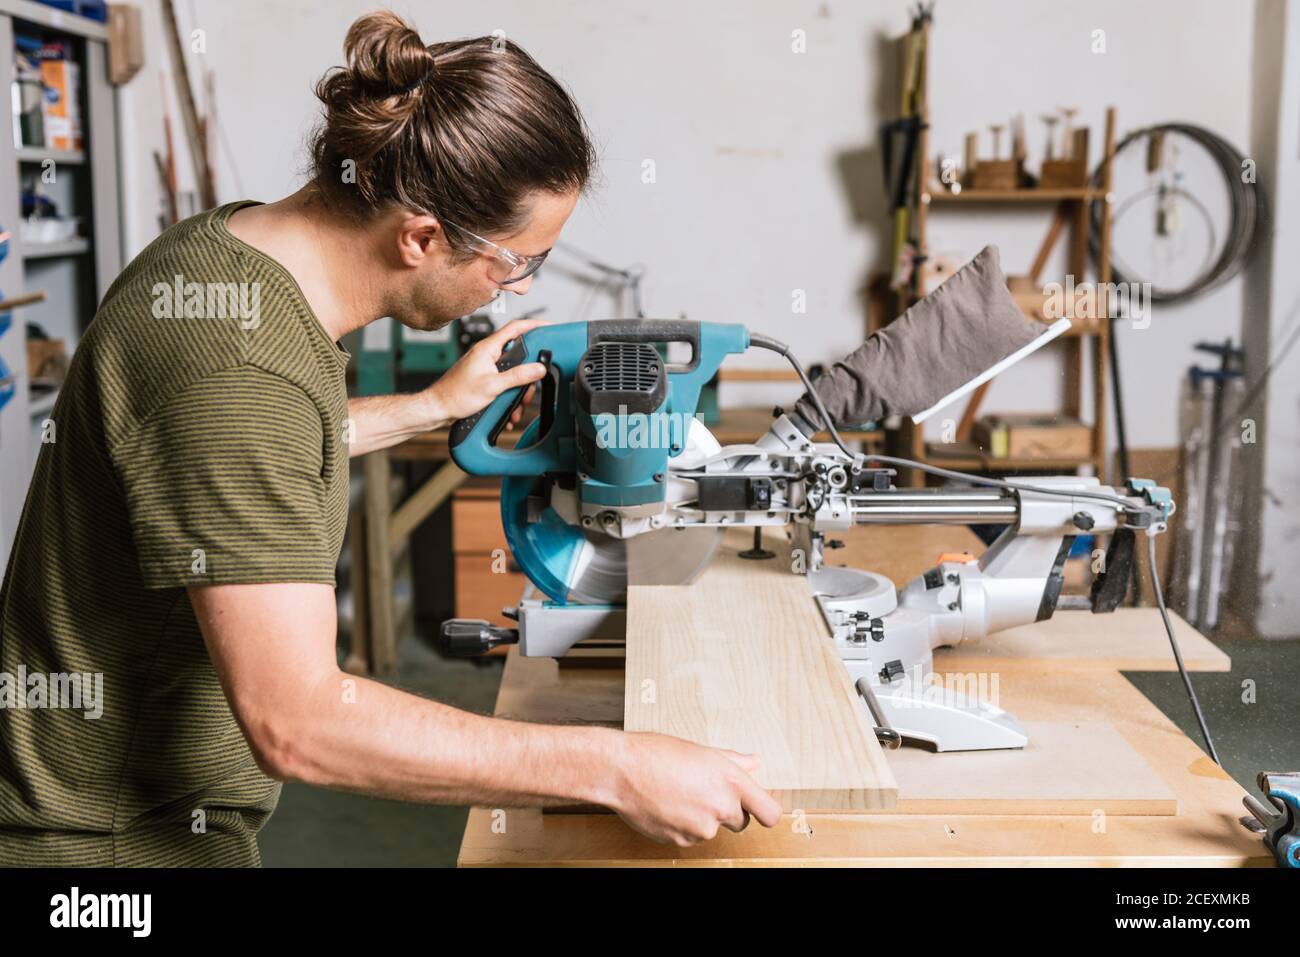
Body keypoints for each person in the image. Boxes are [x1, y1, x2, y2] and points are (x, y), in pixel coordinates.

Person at [0, 11, 780, 867]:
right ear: (421, 237)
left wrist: (431, 404)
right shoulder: (239, 373)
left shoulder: (233, 251)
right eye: (519, 261)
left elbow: (233, 464)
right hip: (108, 850)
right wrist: (615, 766)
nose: (518, 283)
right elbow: (298, 723)